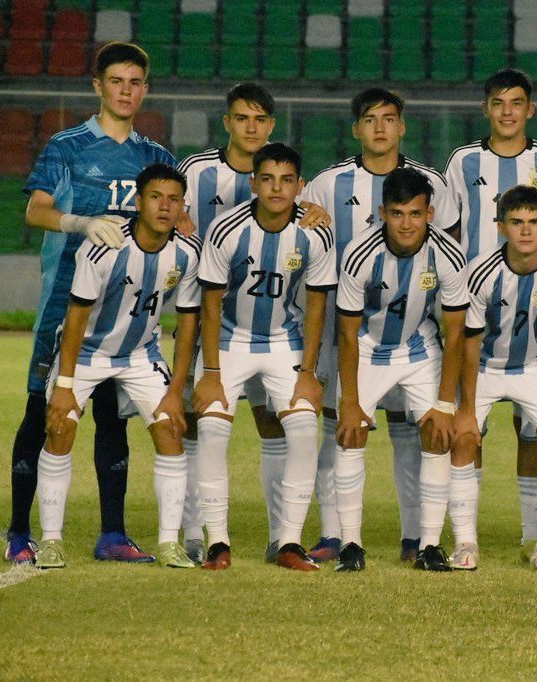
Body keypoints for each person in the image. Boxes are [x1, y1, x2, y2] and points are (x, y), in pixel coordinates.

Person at [7, 42, 176, 565]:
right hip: (65, 302)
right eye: (117, 81)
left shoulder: (157, 157)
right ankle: (18, 532)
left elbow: (180, 222)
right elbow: (35, 209)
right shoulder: (68, 145)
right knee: (45, 411)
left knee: (113, 418)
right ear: (97, 86)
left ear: (145, 89)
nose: (126, 91)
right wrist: (80, 223)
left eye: (136, 82)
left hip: (128, 315)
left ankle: (113, 534)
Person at [301, 87, 459, 563]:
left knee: (422, 433)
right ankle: (342, 539)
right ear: (357, 128)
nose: (380, 127)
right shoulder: (329, 183)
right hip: (353, 333)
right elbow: (299, 222)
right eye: (370, 119)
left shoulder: (432, 186)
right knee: (343, 429)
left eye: (389, 118)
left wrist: (448, 401)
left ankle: (422, 541)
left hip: (416, 339)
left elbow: (446, 276)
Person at [176, 83, 330, 565]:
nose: (277, 187)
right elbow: (211, 299)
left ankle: (286, 540)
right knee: (207, 427)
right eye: (269, 179)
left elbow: (319, 303)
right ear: (255, 183)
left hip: (284, 341)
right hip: (224, 339)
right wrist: (213, 370)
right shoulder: (222, 223)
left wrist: (308, 372)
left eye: (287, 180)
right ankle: (212, 539)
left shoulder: (312, 231)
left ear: (298, 184)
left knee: (300, 428)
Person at [444, 68, 537, 559]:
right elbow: (444, 228)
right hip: (477, 322)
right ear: (487, 109)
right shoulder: (462, 161)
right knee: (465, 433)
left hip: (534, 341)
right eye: (498, 102)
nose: (507, 111)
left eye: (516, 102)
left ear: (530, 109)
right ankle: (465, 542)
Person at [33, 163, 201, 570]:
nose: (165, 206)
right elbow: (75, 318)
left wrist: (176, 392)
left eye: (174, 199)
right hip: (86, 353)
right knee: (60, 427)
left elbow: (188, 323)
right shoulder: (105, 245)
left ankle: (168, 544)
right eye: (156, 197)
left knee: (172, 429)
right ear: (139, 202)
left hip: (140, 355)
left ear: (183, 207)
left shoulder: (186, 254)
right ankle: (51, 541)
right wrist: (65, 385)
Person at [333, 167, 468, 572]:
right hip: (367, 347)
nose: (406, 223)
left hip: (417, 347)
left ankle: (429, 546)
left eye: (414, 213)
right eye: (396, 214)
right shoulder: (359, 254)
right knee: (351, 432)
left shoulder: (448, 254)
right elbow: (346, 332)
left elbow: (456, 330)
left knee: (438, 432)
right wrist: (352, 401)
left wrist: (445, 403)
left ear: (429, 213)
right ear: (381, 213)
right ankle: (351, 545)